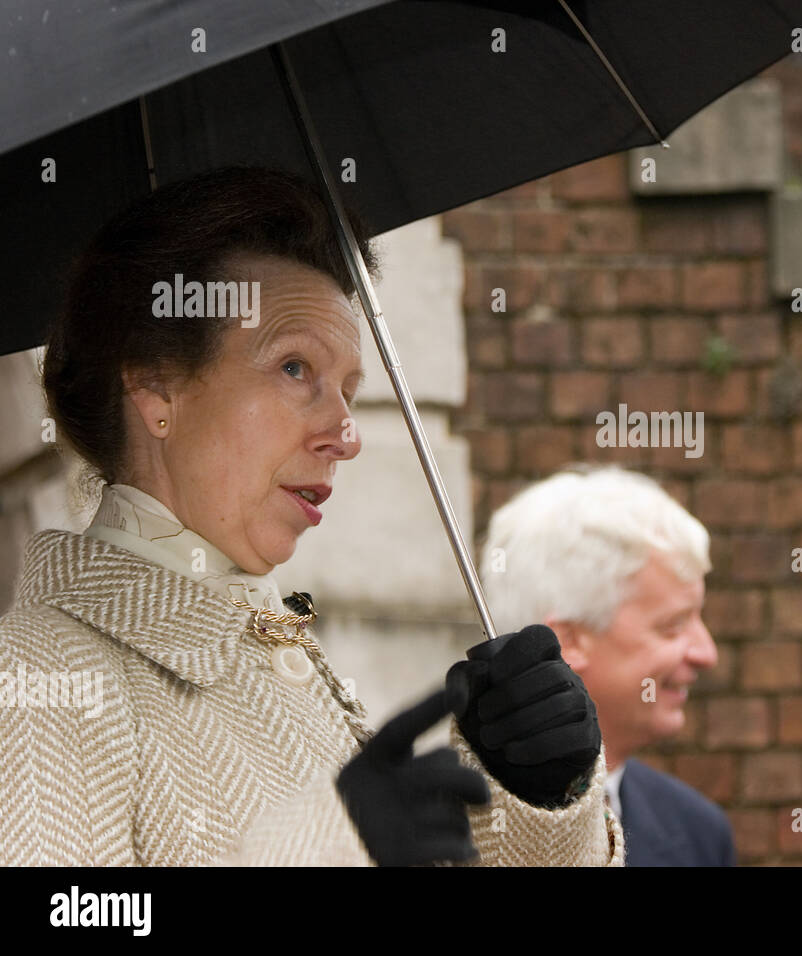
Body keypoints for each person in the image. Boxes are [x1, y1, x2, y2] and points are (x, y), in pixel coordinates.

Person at [0, 166, 621, 866]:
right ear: (154, 386)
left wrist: (529, 799)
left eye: (350, 390)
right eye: (295, 368)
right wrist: (336, 845)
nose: (347, 433)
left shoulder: (275, 647)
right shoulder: (37, 675)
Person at [481, 466, 736, 865]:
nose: (707, 652)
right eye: (673, 625)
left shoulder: (699, 832)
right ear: (566, 642)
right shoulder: (440, 831)